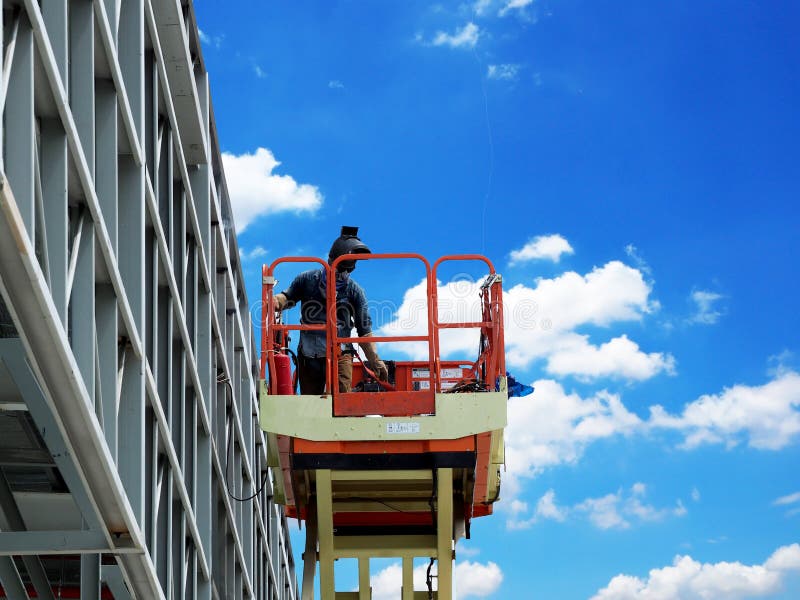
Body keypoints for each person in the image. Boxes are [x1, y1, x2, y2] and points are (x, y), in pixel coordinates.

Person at [272, 226, 389, 394]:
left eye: (349, 269)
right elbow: (288, 297)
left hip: (340, 355)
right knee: (310, 405)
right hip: (309, 354)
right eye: (342, 268)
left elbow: (365, 331)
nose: (344, 274)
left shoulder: (354, 291)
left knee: (341, 402)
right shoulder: (306, 280)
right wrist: (275, 301)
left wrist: (375, 360)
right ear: (331, 261)